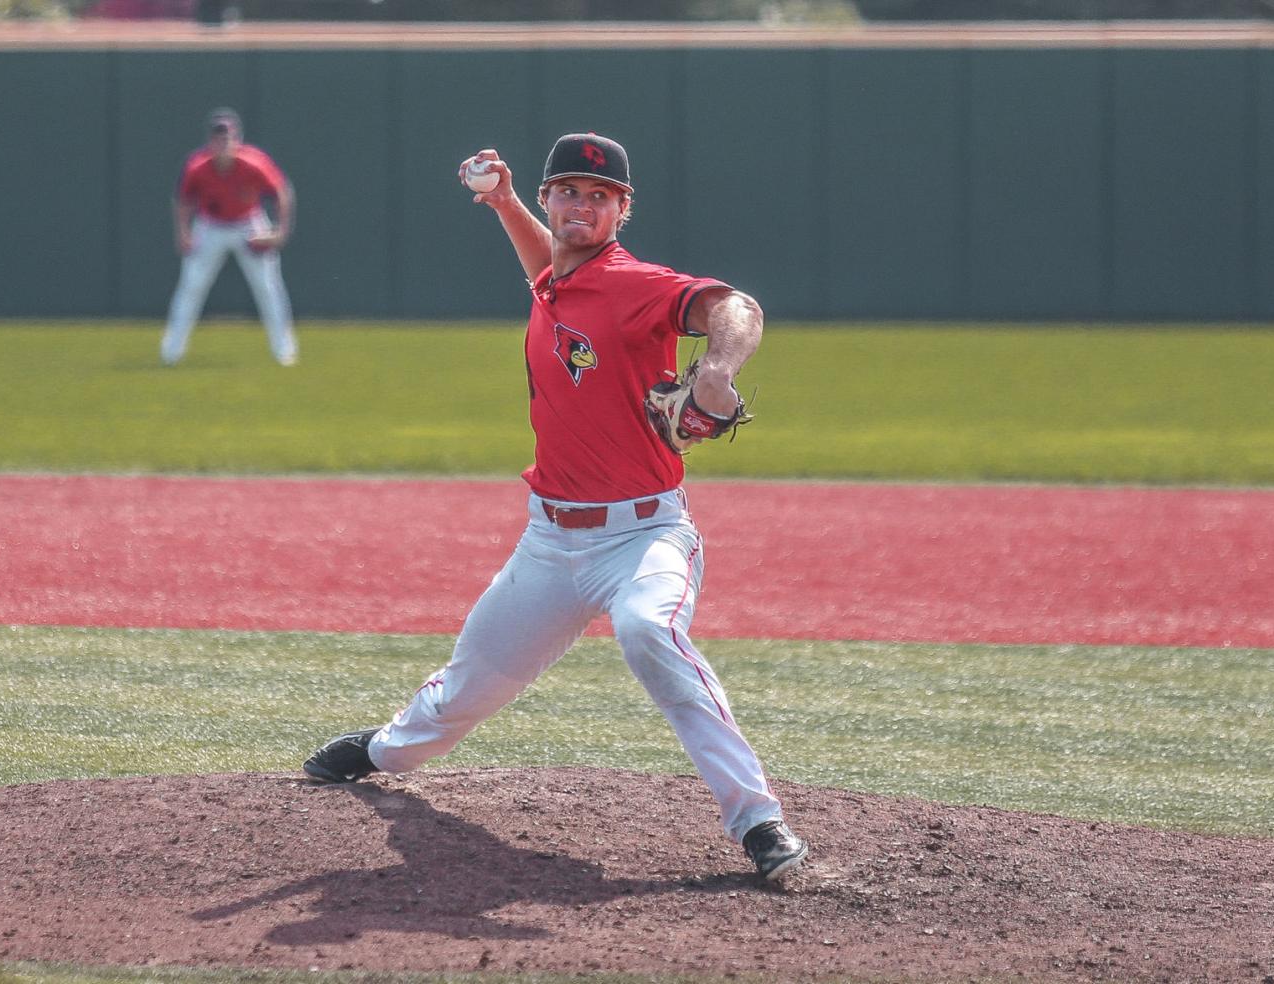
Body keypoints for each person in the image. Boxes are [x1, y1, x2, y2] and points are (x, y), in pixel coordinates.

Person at [304, 132, 809, 882]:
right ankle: (382, 751)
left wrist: (718, 371)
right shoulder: (557, 279)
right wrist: (501, 200)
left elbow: (737, 306)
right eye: (568, 191)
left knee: (648, 631)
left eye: (600, 196)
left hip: (644, 535)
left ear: (622, 210)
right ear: (549, 198)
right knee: (459, 697)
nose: (583, 205)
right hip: (549, 544)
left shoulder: (634, 284)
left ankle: (758, 820)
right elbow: (548, 265)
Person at [161, 107, 298, 367]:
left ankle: (284, 351)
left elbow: (281, 191)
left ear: (237, 139)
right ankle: (171, 352)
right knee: (191, 285)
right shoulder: (197, 167)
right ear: (210, 142)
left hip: (249, 223)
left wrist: (280, 230)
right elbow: (183, 200)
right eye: (218, 138)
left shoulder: (253, 163)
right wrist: (183, 232)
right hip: (210, 225)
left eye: (228, 137)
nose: (223, 143)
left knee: (268, 287)